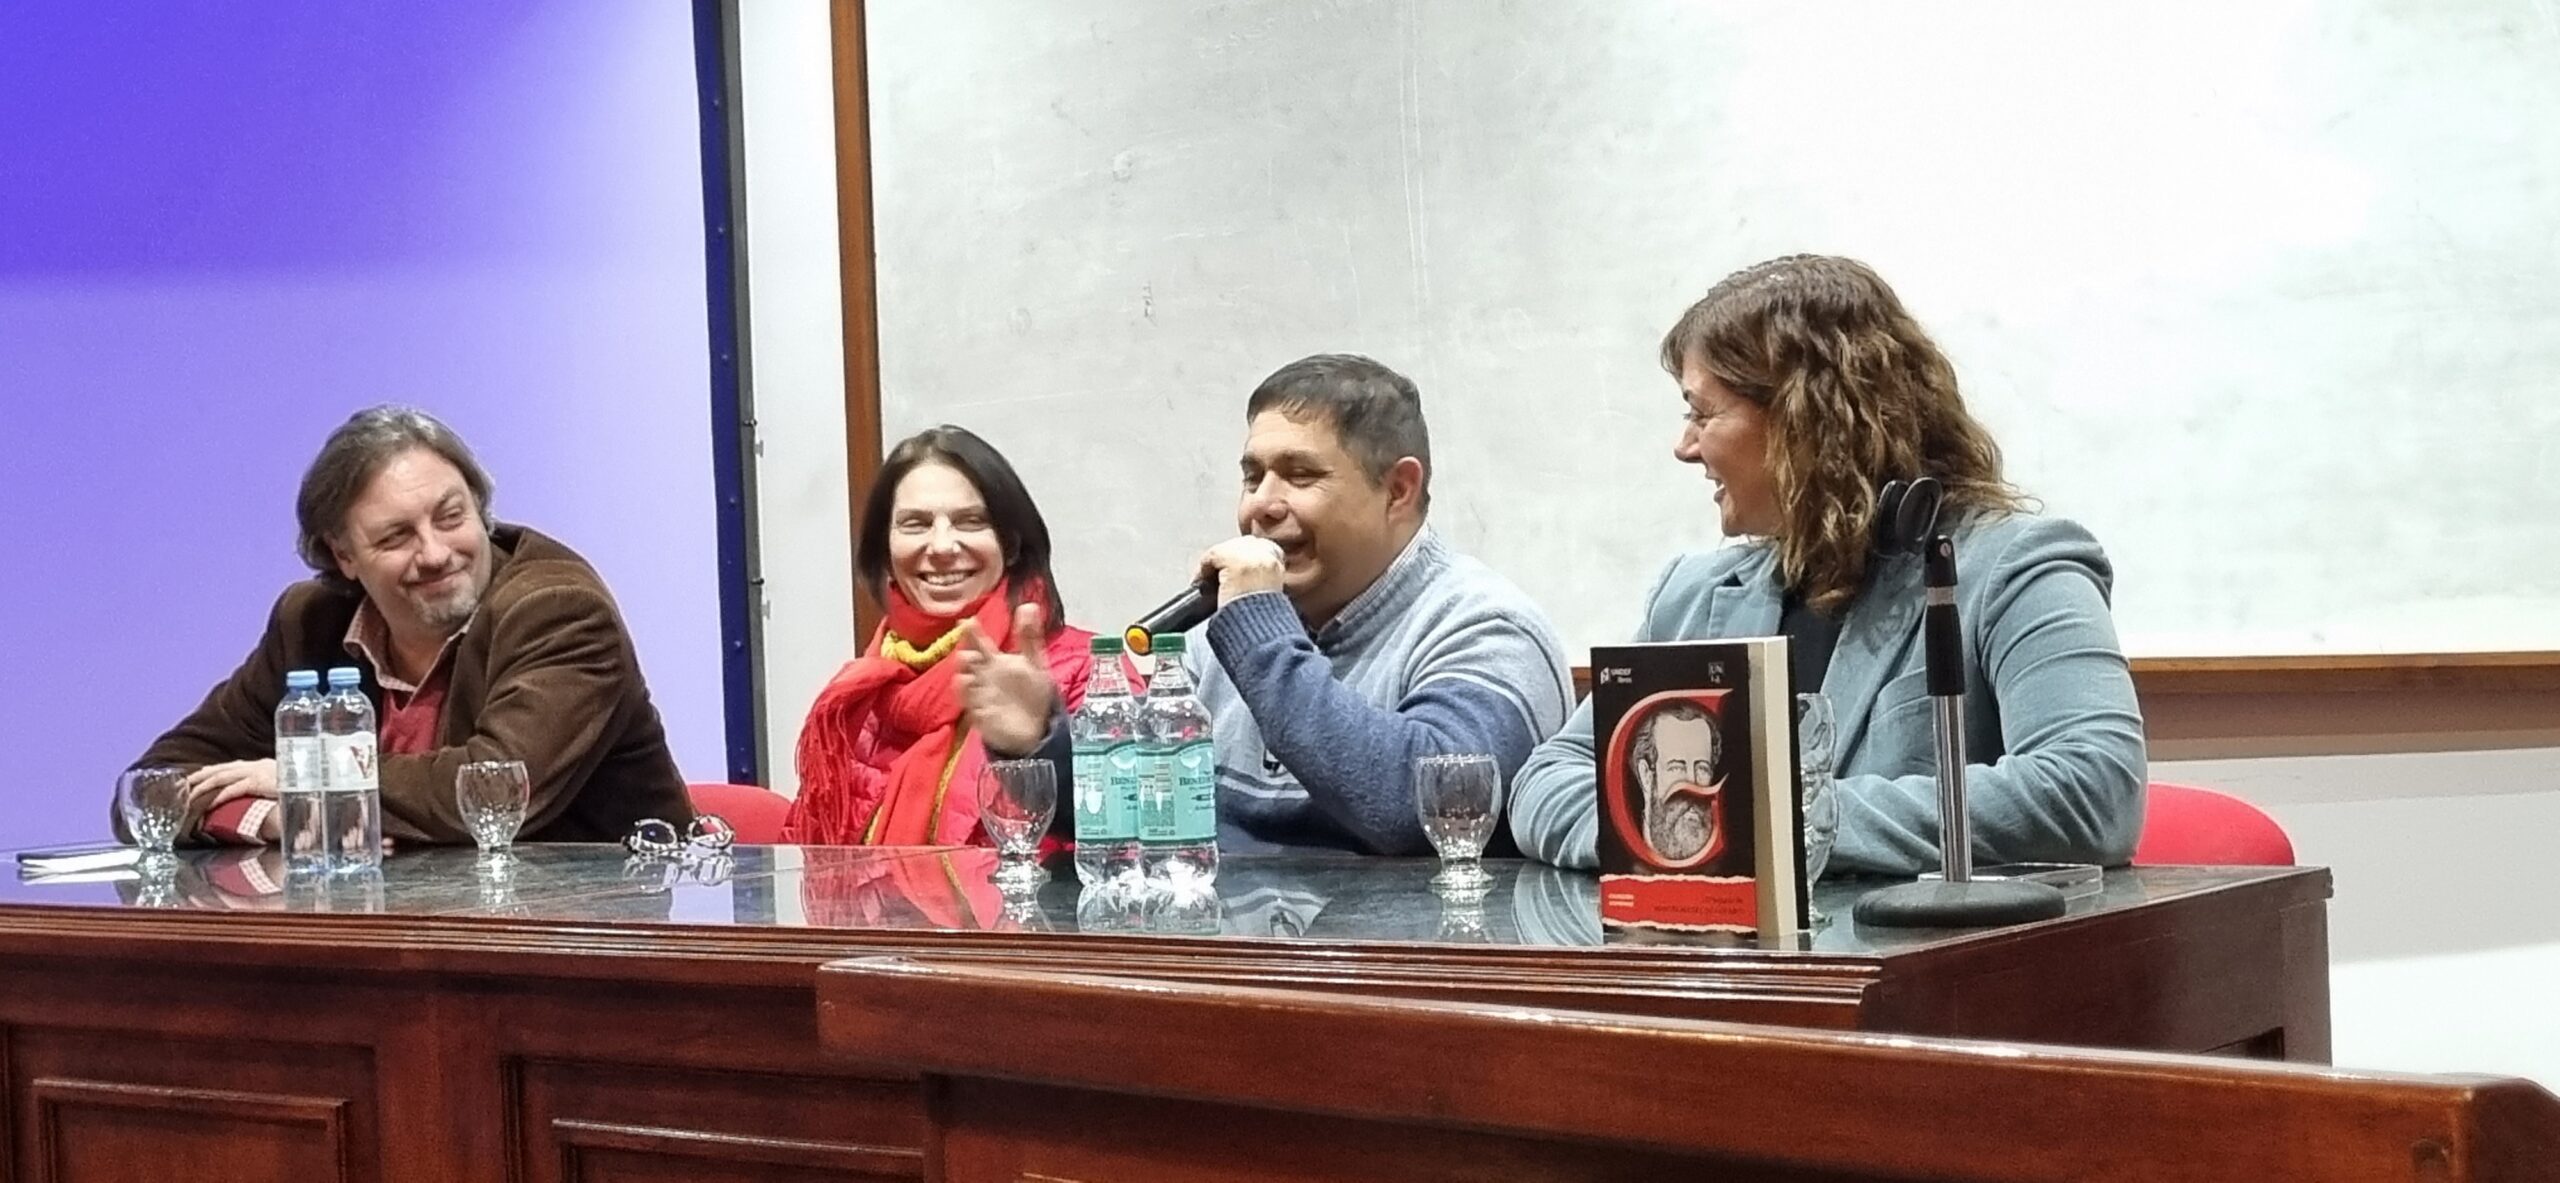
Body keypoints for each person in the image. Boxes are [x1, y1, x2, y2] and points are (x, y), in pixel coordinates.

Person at [1510, 255, 2147, 877]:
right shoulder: (1691, 596)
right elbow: (1546, 782)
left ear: (1805, 419)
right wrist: (1683, 836)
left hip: (1932, 973)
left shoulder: (2016, 567)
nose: (1684, 446)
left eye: (1703, 413)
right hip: (1721, 974)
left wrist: (1765, 825)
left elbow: (2092, 790)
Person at [129, 405, 692, 845]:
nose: (436, 553)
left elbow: (495, 790)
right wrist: (275, 820)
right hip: (396, 939)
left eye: (452, 518)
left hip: (593, 946)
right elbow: (151, 788)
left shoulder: (558, 610)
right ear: (343, 555)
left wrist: (304, 779)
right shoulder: (310, 625)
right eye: (396, 537)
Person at [1178, 354, 1573, 855]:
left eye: (1300, 476)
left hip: (1411, 932)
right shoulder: (1224, 631)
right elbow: (1128, 803)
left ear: (1398, 491)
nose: (1261, 504)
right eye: (1253, 478)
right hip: (1223, 929)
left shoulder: (1489, 627)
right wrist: (1050, 740)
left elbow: (1427, 812)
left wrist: (1259, 637)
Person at [786, 425, 1094, 845]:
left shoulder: (1091, 671)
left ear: (1012, 544)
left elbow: (1138, 844)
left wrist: (1039, 745)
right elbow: (811, 874)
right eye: (916, 524)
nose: (943, 546)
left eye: (971, 521)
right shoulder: (853, 700)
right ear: (885, 553)